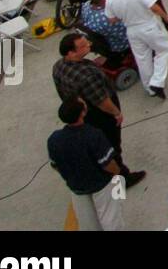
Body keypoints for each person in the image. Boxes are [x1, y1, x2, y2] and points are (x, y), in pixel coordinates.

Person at [52, 32, 144, 187]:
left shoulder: (59, 66)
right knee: (111, 146)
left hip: (84, 114)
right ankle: (122, 177)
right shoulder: (86, 76)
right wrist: (116, 113)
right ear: (71, 52)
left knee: (99, 145)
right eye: (83, 45)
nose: (89, 44)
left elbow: (61, 91)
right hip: (100, 116)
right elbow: (101, 101)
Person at [47, 98, 125, 232]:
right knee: (111, 220)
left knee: (88, 224)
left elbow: (55, 165)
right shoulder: (93, 135)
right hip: (101, 185)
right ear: (82, 113)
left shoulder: (54, 139)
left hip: (77, 187)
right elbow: (107, 164)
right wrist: (117, 171)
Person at [104, 0, 168, 98]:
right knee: (163, 50)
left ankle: (149, 88)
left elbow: (111, 19)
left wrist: (125, 16)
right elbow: (154, 7)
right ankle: (157, 82)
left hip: (132, 30)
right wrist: (166, 17)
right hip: (149, 25)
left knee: (142, 59)